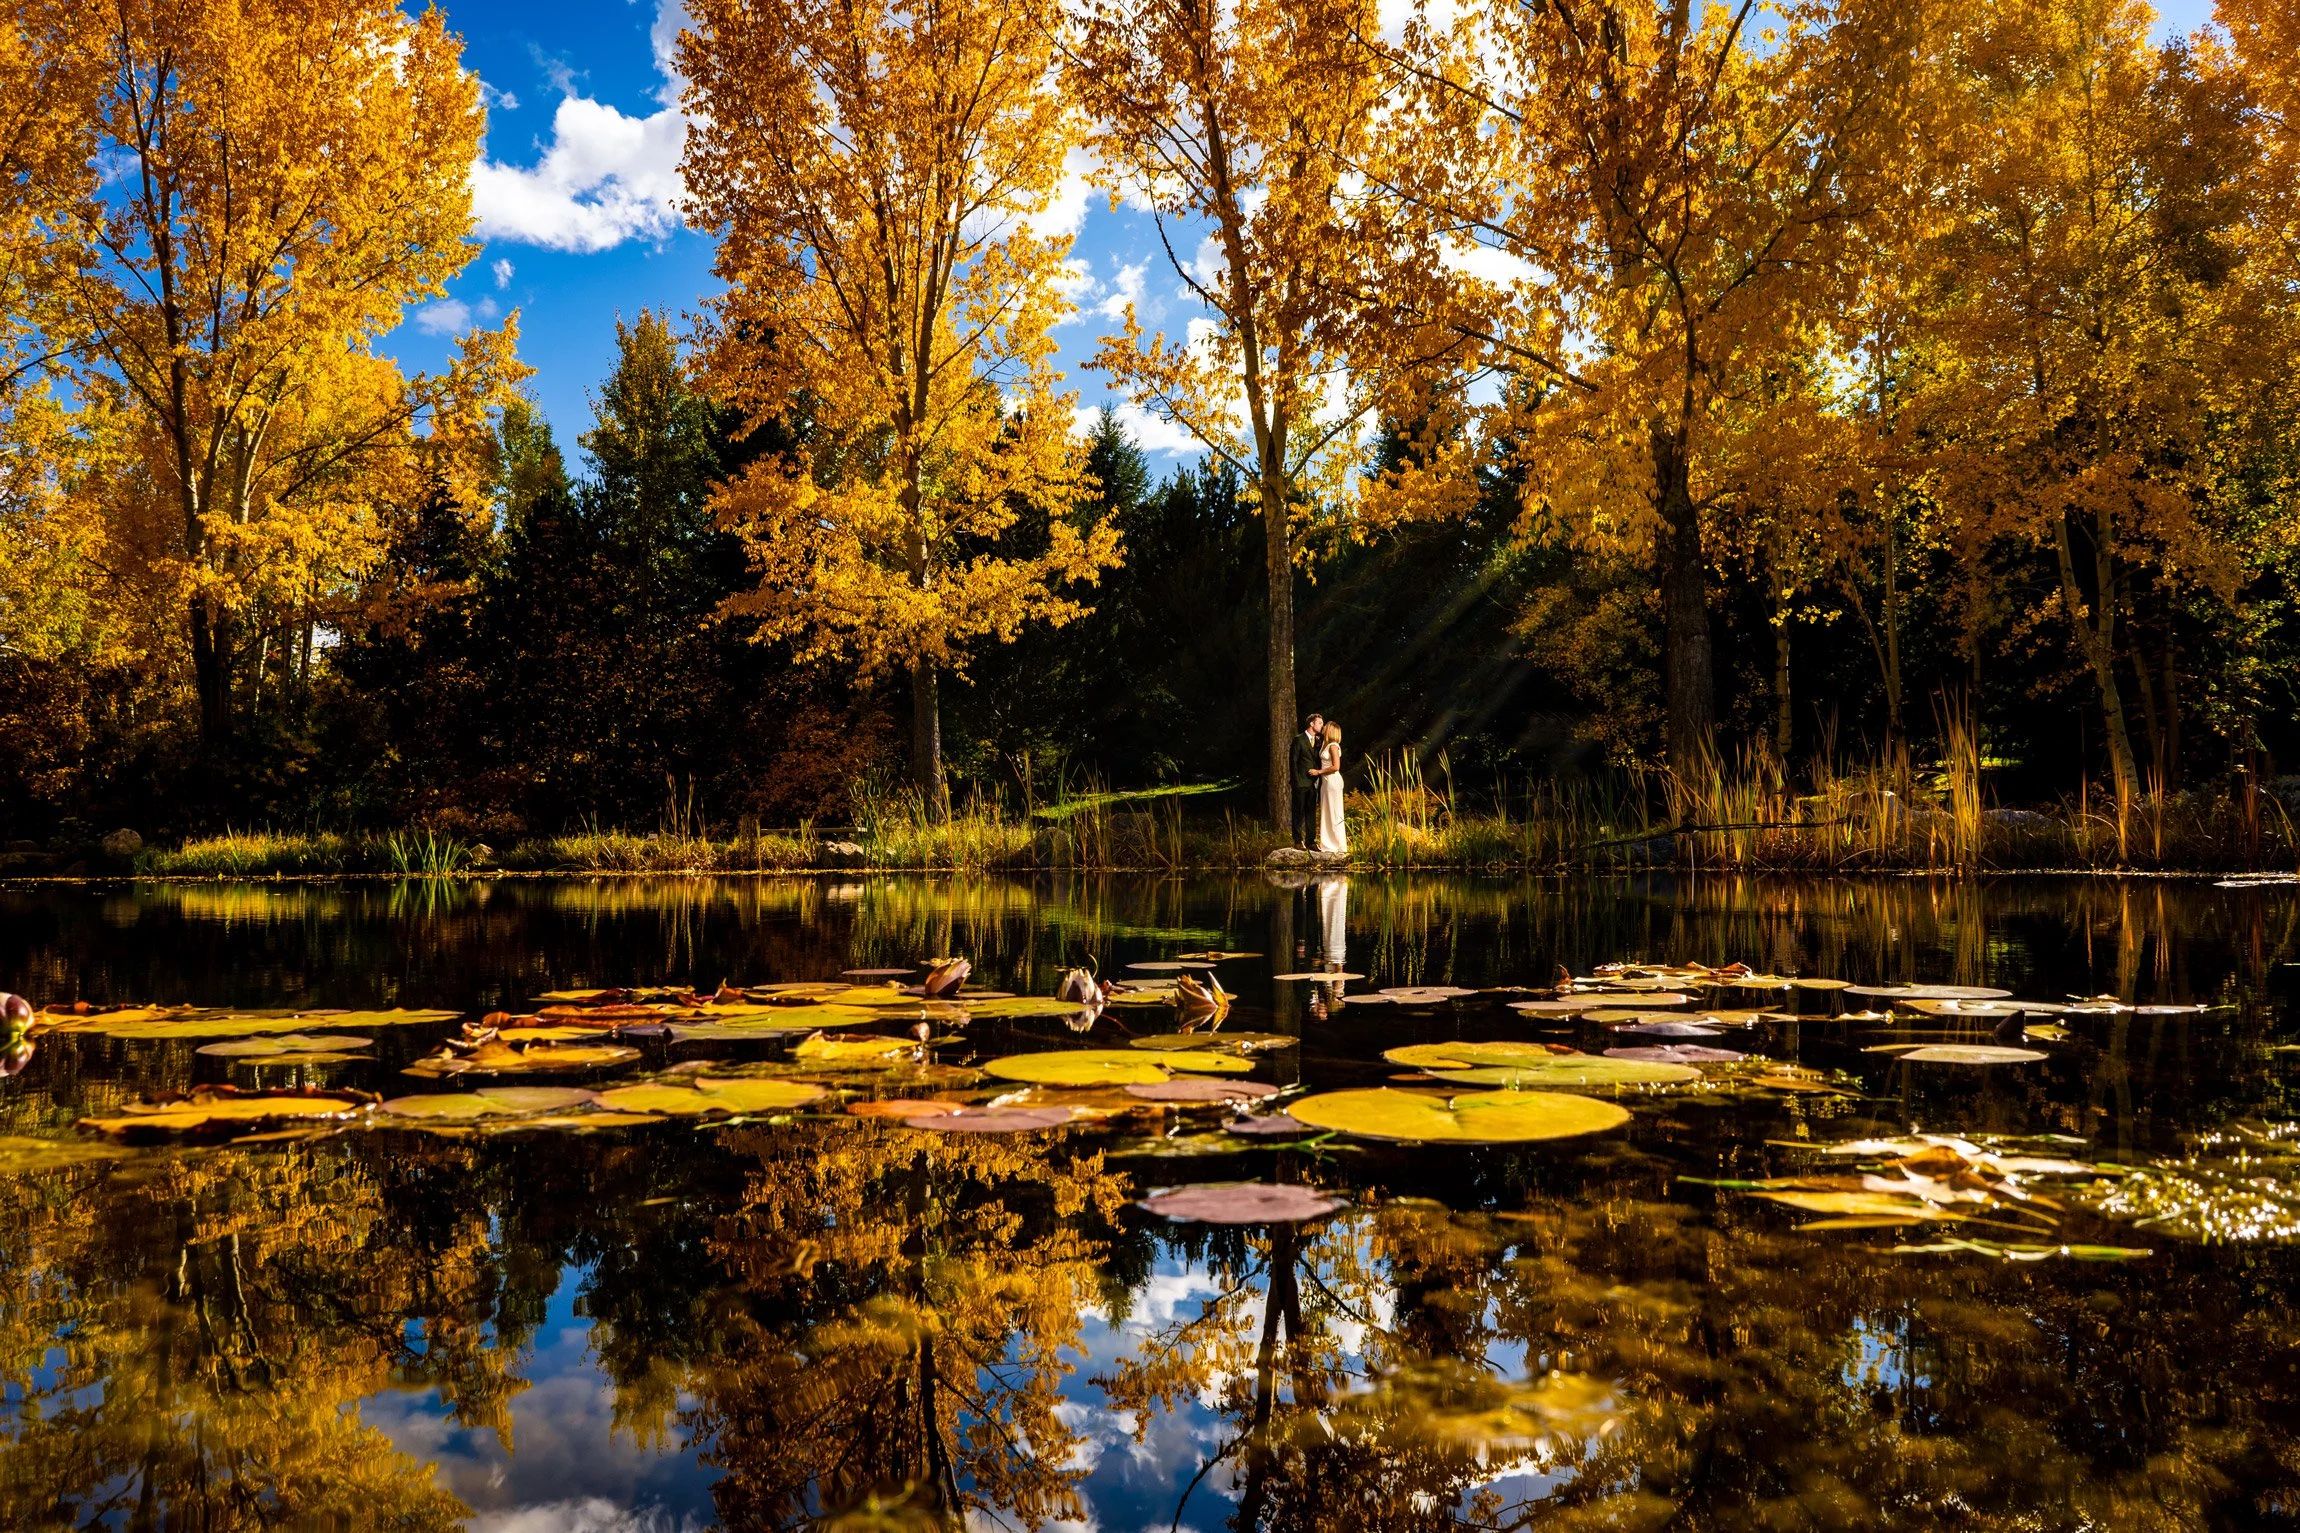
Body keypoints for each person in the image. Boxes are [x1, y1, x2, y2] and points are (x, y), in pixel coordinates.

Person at [1313, 721, 1348, 857]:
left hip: (1332, 780)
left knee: (1334, 811)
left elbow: (1336, 767)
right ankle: (1328, 843)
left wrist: (1318, 772)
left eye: (1325, 726)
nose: (1323, 727)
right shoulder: (1325, 744)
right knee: (1327, 811)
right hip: (1326, 782)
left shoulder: (1333, 746)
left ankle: (1337, 844)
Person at [1289, 712, 1324, 848]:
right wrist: (1296, 782)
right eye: (1320, 723)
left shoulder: (1318, 741)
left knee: (1311, 813)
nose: (1322, 725)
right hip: (1300, 782)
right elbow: (1293, 762)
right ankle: (1298, 841)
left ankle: (1311, 841)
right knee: (1298, 812)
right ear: (1312, 724)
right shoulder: (1299, 739)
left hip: (1312, 783)